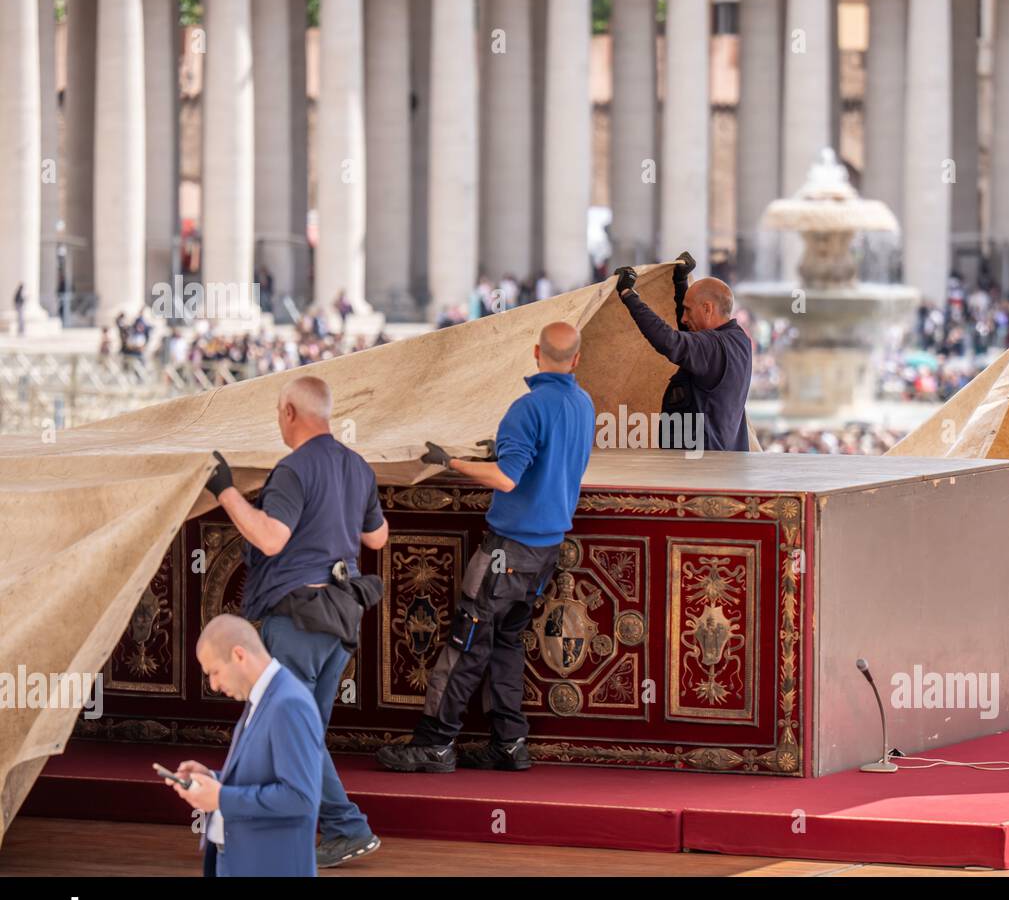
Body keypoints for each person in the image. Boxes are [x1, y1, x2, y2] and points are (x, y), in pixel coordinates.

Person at [377, 323, 595, 773]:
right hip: (546, 550)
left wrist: (451, 461)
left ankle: (435, 744)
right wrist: (507, 450)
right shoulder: (584, 403)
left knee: (467, 641)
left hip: (507, 550)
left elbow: (506, 478)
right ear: (576, 359)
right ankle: (510, 743)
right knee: (507, 644)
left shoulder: (526, 408)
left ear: (536, 353)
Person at [206, 375, 388, 868]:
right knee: (303, 732)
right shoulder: (357, 465)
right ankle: (311, 829)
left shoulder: (292, 470)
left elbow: (269, 539)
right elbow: (377, 538)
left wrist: (224, 489)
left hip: (297, 621)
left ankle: (346, 827)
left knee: (289, 729)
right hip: (340, 618)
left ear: (288, 411)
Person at [164, 614, 323, 877]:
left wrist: (220, 797)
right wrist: (213, 778)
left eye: (214, 672)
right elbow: (263, 775)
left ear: (239, 655)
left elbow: (301, 797)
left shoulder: (288, 704)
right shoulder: (263, 698)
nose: (213, 685)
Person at [613, 252, 752, 452]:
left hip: (700, 469)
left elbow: (670, 341)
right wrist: (680, 282)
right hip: (719, 461)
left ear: (707, 308)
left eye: (688, 310)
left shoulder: (713, 347)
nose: (684, 318)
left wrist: (629, 295)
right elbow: (690, 336)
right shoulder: (738, 340)